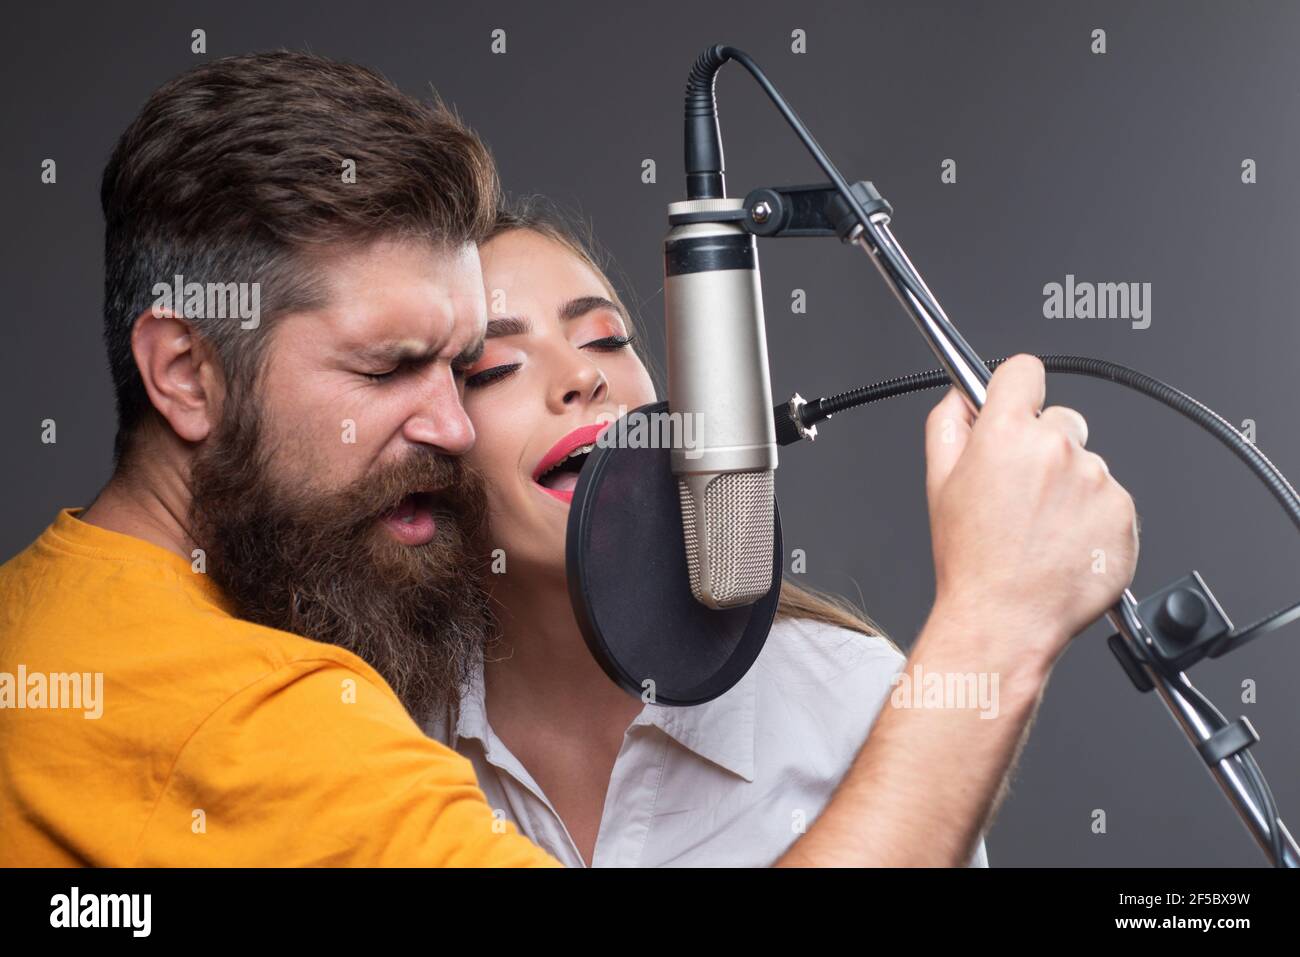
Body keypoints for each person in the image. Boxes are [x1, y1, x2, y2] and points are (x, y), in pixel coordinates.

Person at [0, 51, 1138, 867]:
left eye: (605, 338)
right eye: (403, 366)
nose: (445, 425)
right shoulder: (298, 719)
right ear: (186, 375)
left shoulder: (51, 615)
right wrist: (996, 619)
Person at [427, 199, 992, 867]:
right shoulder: (385, 728)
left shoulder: (856, 699)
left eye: (606, 338)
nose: (584, 376)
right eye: (494, 368)